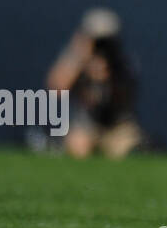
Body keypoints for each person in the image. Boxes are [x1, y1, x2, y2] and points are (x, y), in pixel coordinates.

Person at [45, 8, 143, 159]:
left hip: (117, 126)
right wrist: (78, 57)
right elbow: (56, 88)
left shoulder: (123, 64)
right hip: (86, 123)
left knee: (127, 154)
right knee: (77, 147)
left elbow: (123, 99)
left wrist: (107, 77)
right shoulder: (78, 60)